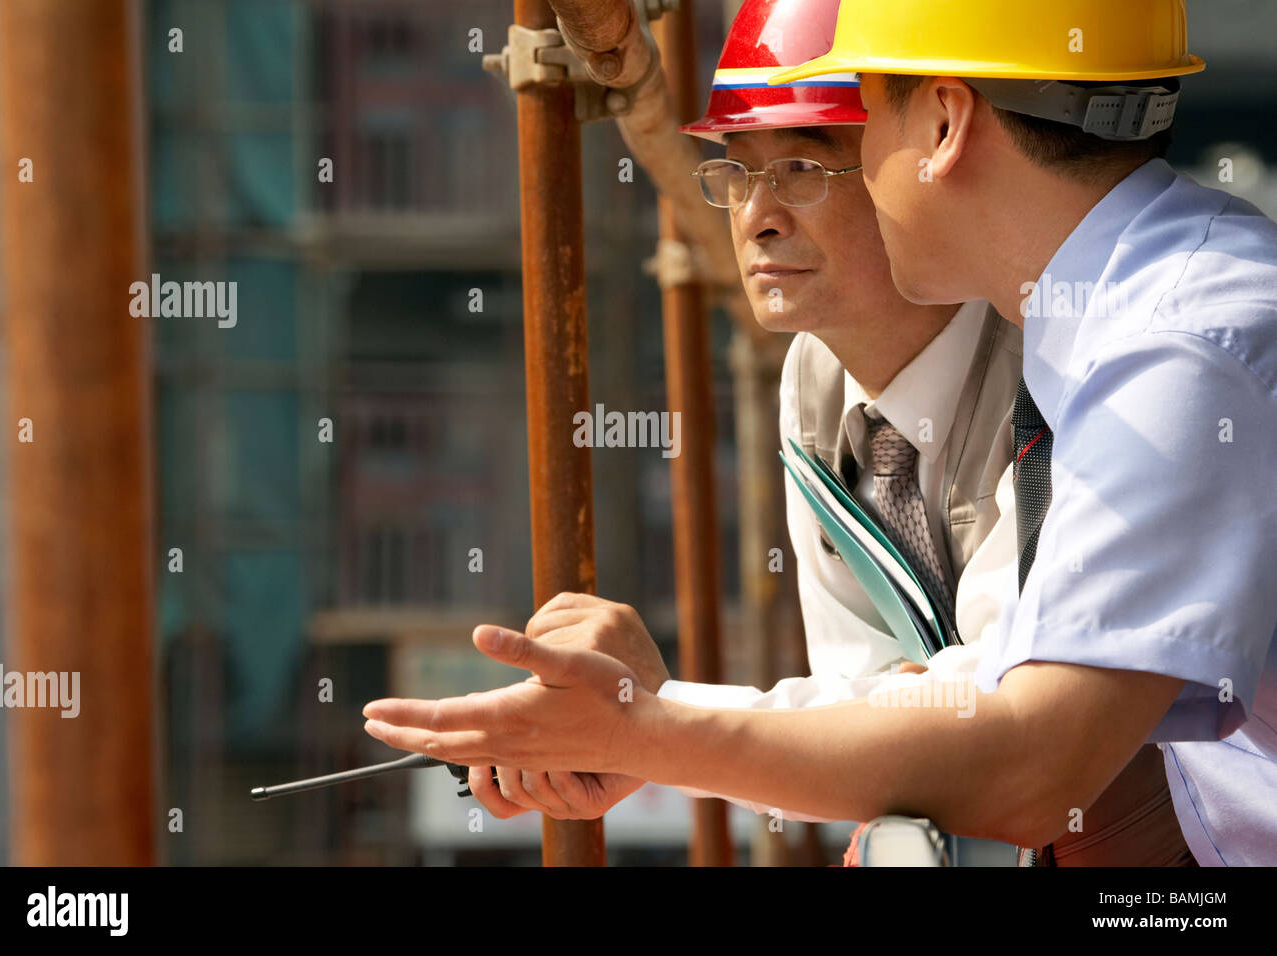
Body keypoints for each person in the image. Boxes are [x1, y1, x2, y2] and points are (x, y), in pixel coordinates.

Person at [366, 0, 1271, 863]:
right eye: (737, 169)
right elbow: (932, 703)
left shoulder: (1168, 354)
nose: (757, 213)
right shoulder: (1124, 316)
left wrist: (645, 728)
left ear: (945, 124)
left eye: (832, 146)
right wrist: (648, 720)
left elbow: (1027, 759)